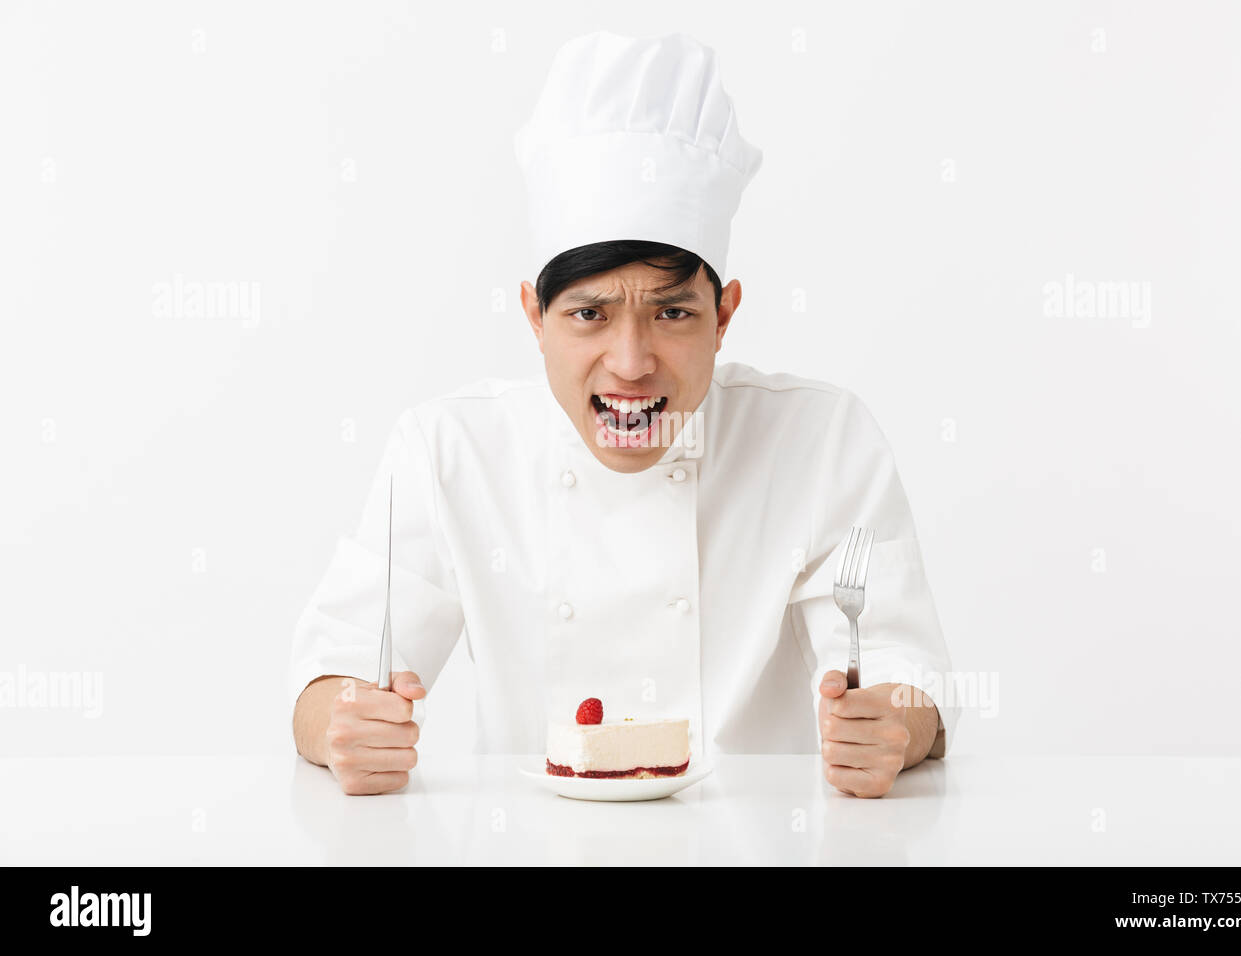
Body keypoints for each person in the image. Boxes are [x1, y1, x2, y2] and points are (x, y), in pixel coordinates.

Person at [290, 31, 957, 797]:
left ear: (725, 315)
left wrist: (895, 725)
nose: (632, 361)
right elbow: (326, 677)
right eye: (589, 315)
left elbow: (915, 687)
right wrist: (343, 725)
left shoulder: (820, 440)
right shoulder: (450, 450)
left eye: (672, 314)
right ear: (534, 319)